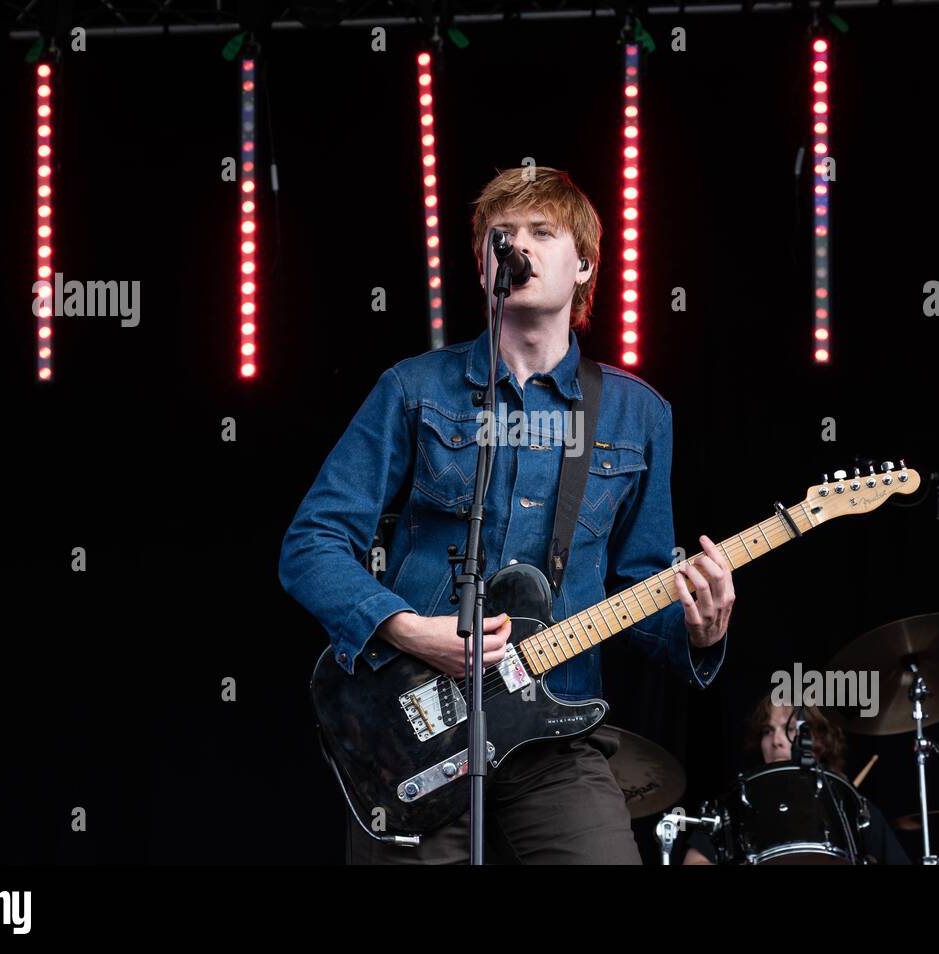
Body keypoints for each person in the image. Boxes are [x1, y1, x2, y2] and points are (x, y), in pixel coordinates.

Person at [279, 166, 735, 864]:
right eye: (501, 235)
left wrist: (699, 633)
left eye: (540, 233)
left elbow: (641, 582)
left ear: (583, 263)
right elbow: (311, 544)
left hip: (558, 737)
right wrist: (409, 631)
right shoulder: (414, 390)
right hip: (414, 738)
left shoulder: (637, 414)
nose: (514, 246)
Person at [683, 693, 910, 864]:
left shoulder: (853, 809)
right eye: (767, 731)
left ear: (819, 741)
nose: (776, 741)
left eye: (790, 729)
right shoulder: (739, 804)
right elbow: (695, 861)